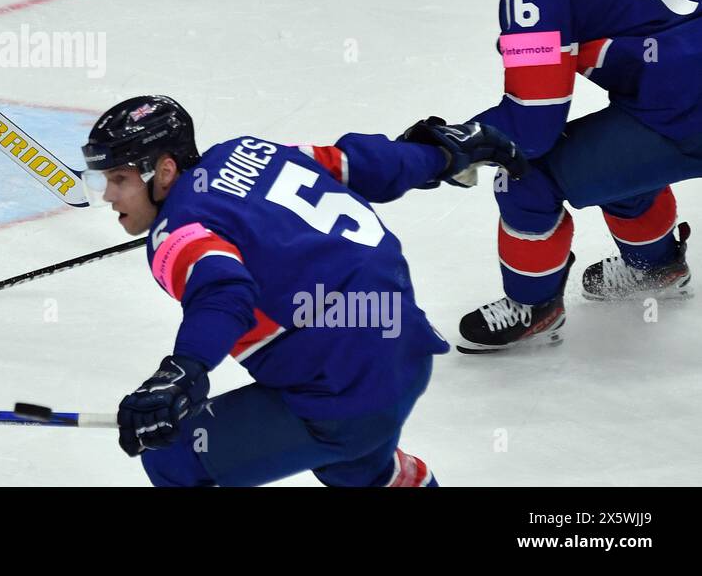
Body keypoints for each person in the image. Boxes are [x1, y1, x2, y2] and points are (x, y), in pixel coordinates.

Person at [82, 95, 526, 486]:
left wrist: (183, 370)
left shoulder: (176, 232)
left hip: (342, 393)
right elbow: (355, 164)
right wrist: (441, 156)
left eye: (119, 180)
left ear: (164, 170)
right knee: (354, 468)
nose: (107, 196)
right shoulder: (247, 152)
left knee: (171, 458)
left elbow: (223, 291)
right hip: (403, 342)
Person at [443, 0, 698, 353]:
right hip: (681, 75)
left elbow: (533, 127)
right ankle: (656, 267)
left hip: (687, 103)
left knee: (525, 180)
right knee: (617, 160)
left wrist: (459, 141)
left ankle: (533, 306)